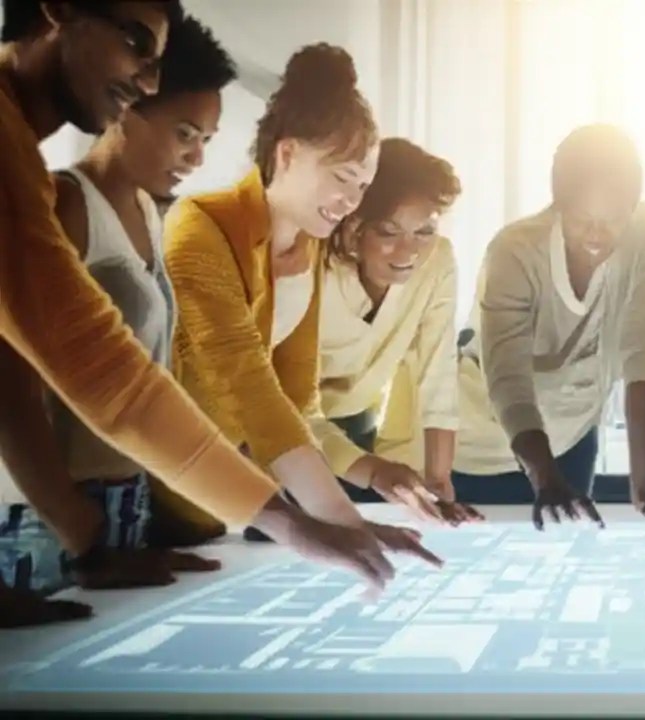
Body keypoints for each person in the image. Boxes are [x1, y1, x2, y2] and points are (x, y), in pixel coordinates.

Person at [0, 0, 425, 629]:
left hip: (133, 507)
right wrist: (300, 523)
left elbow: (125, 381)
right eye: (135, 42)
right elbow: (111, 379)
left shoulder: (38, 174)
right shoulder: (169, 218)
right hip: (55, 513)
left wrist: (313, 516)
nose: (146, 80)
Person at [160, 43, 436, 556]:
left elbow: (298, 404)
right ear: (286, 154)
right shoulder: (200, 226)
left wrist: (368, 476)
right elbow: (247, 386)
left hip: (233, 507)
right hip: (164, 492)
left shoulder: (308, 247)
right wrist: (341, 519)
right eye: (342, 178)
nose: (351, 202)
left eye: (363, 186)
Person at [0, 12, 237, 610]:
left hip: (122, 509)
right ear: (128, 113)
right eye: (185, 133)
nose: (196, 157)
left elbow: (148, 374)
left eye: (206, 140)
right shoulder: (62, 203)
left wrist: (154, 516)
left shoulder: (152, 214)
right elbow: (16, 385)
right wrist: (84, 536)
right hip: (54, 516)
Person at [453, 124, 645, 530]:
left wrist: (642, 485)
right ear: (558, 205)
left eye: (613, 219)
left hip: (573, 437)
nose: (596, 234)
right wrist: (544, 477)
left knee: (564, 558)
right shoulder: (514, 252)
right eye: (581, 219)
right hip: (484, 447)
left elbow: (642, 350)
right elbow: (509, 381)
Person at [315, 137, 482, 525]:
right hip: (288, 428)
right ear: (354, 228)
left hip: (357, 424)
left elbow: (437, 371)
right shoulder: (314, 266)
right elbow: (286, 404)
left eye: (424, 231)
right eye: (388, 233)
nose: (408, 252)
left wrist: (438, 480)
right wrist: (373, 471)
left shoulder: (438, 261)